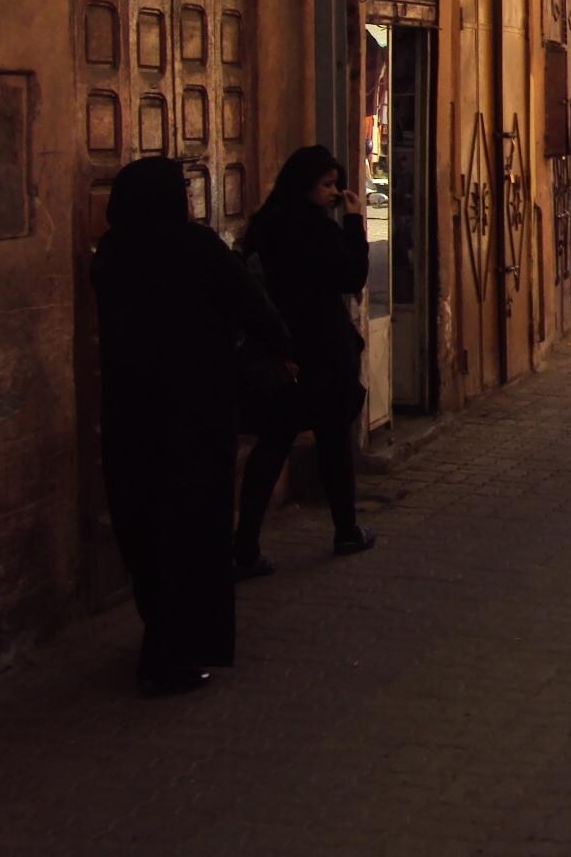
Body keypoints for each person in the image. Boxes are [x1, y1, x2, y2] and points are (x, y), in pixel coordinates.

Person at [91, 158, 294, 695]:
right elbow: (254, 309)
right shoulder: (198, 249)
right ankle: (173, 654)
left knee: (145, 525)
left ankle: (160, 634)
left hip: (130, 414)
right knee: (192, 529)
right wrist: (281, 349)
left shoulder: (111, 253)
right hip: (194, 413)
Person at [233, 146, 377, 574]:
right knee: (332, 440)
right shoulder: (316, 231)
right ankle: (345, 530)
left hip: (283, 350)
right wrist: (354, 221)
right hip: (320, 349)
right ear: (305, 186)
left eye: (335, 184)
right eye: (326, 185)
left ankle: (245, 546)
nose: (333, 192)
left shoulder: (265, 224)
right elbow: (351, 276)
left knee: (273, 444)